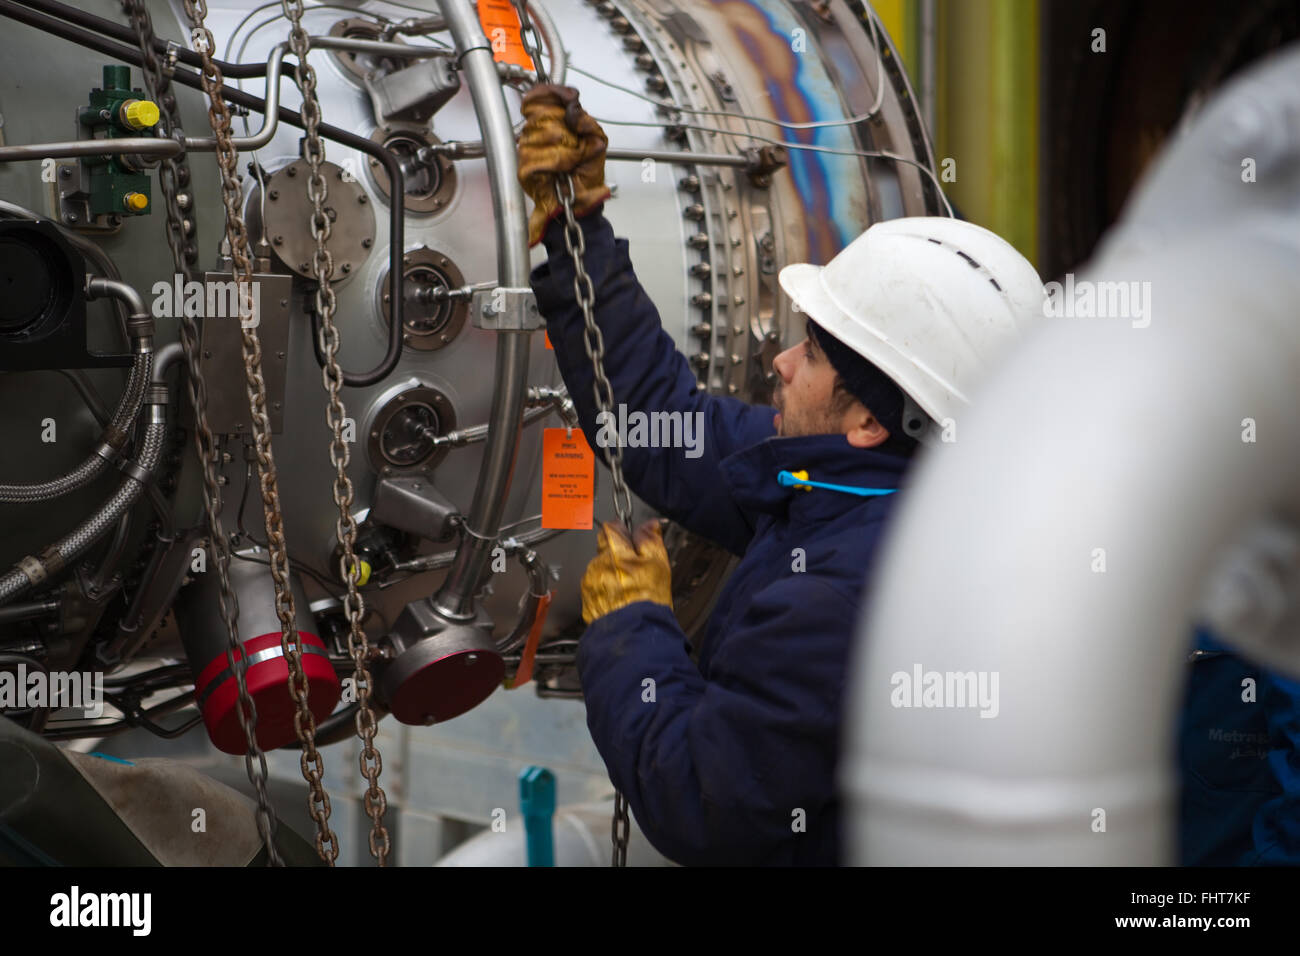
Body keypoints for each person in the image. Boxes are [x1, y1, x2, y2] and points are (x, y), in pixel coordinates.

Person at [517, 84, 1044, 864]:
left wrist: (633, 625)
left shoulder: (833, 603)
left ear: (869, 419)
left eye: (816, 352)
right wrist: (577, 228)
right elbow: (661, 419)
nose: (781, 360)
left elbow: (704, 802)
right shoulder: (853, 485)